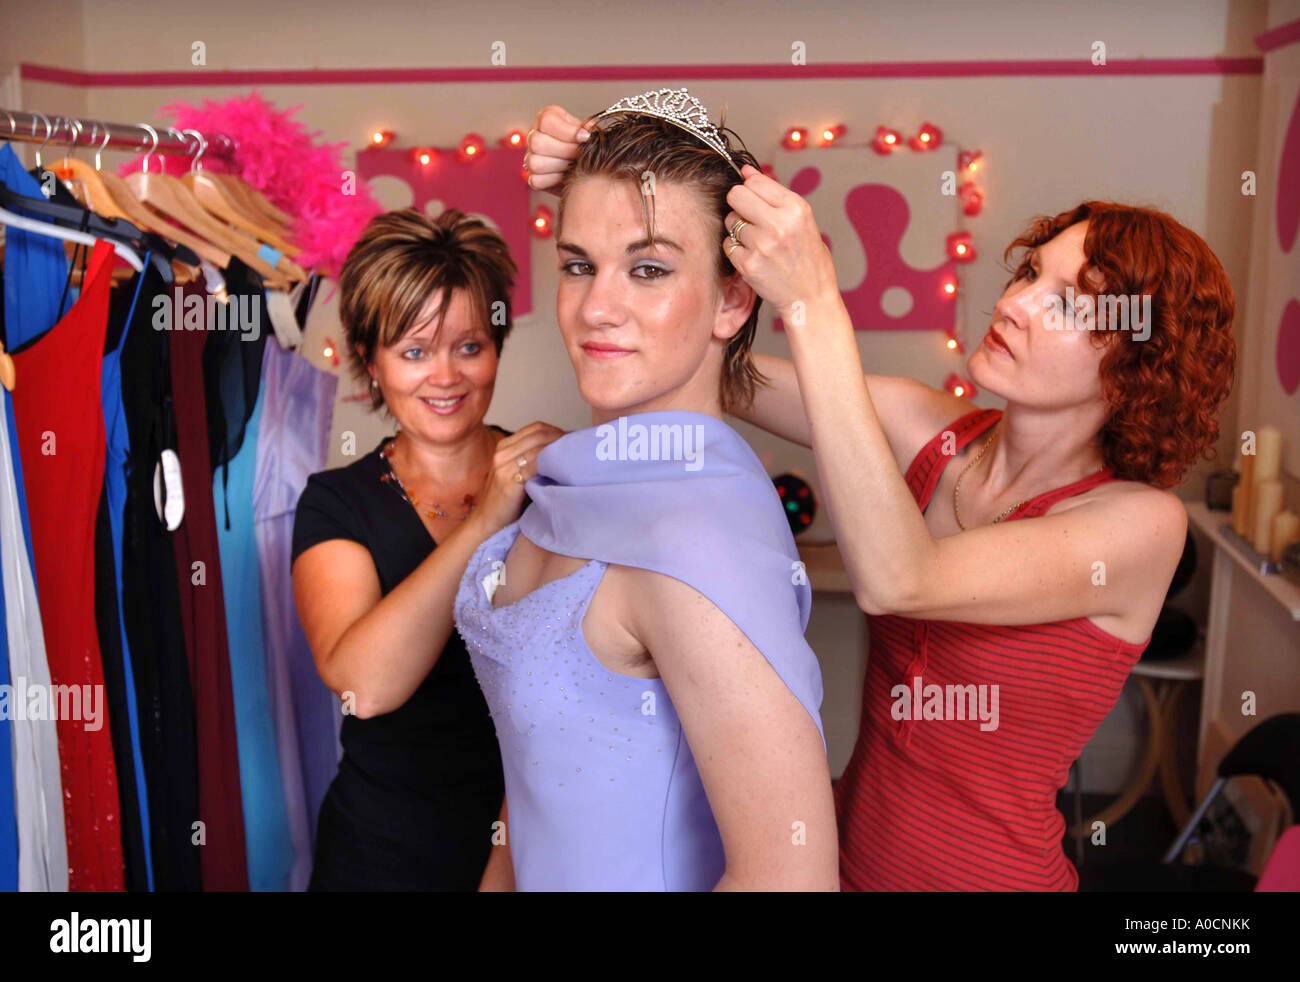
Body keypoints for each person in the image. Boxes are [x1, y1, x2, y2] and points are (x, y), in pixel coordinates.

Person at [527, 109, 1237, 891]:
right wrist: (624, 174)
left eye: (1069, 304)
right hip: (845, 862)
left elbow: (903, 578)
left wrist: (815, 302)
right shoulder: (925, 427)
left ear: (1137, 364)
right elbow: (701, 362)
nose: (1015, 303)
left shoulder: (1139, 524)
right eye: (1031, 273)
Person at [455, 90, 838, 892]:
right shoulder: (574, 481)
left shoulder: (695, 540)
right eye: (577, 264)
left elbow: (790, 879)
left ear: (733, 299)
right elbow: (538, 779)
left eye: (650, 268)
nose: (596, 306)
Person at [290, 208, 565, 890]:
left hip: (541, 852)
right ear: (371, 362)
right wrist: (486, 520)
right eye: (414, 352)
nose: (445, 376)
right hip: (381, 858)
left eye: (468, 346)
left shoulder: (555, 481)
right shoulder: (336, 502)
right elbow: (366, 687)